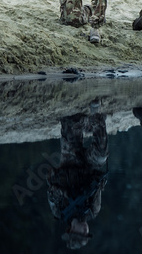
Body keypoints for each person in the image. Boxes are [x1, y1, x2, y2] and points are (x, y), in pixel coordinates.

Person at [47, 104, 108, 250]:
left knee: (70, 120)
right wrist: (95, 185)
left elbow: (52, 190)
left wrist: (69, 196)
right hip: (88, 166)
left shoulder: (59, 211)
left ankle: (83, 123)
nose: (86, 230)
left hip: (70, 161)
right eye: (86, 233)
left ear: (71, 230)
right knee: (101, 156)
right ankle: (96, 116)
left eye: (81, 233)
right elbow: (97, 185)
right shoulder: (93, 210)